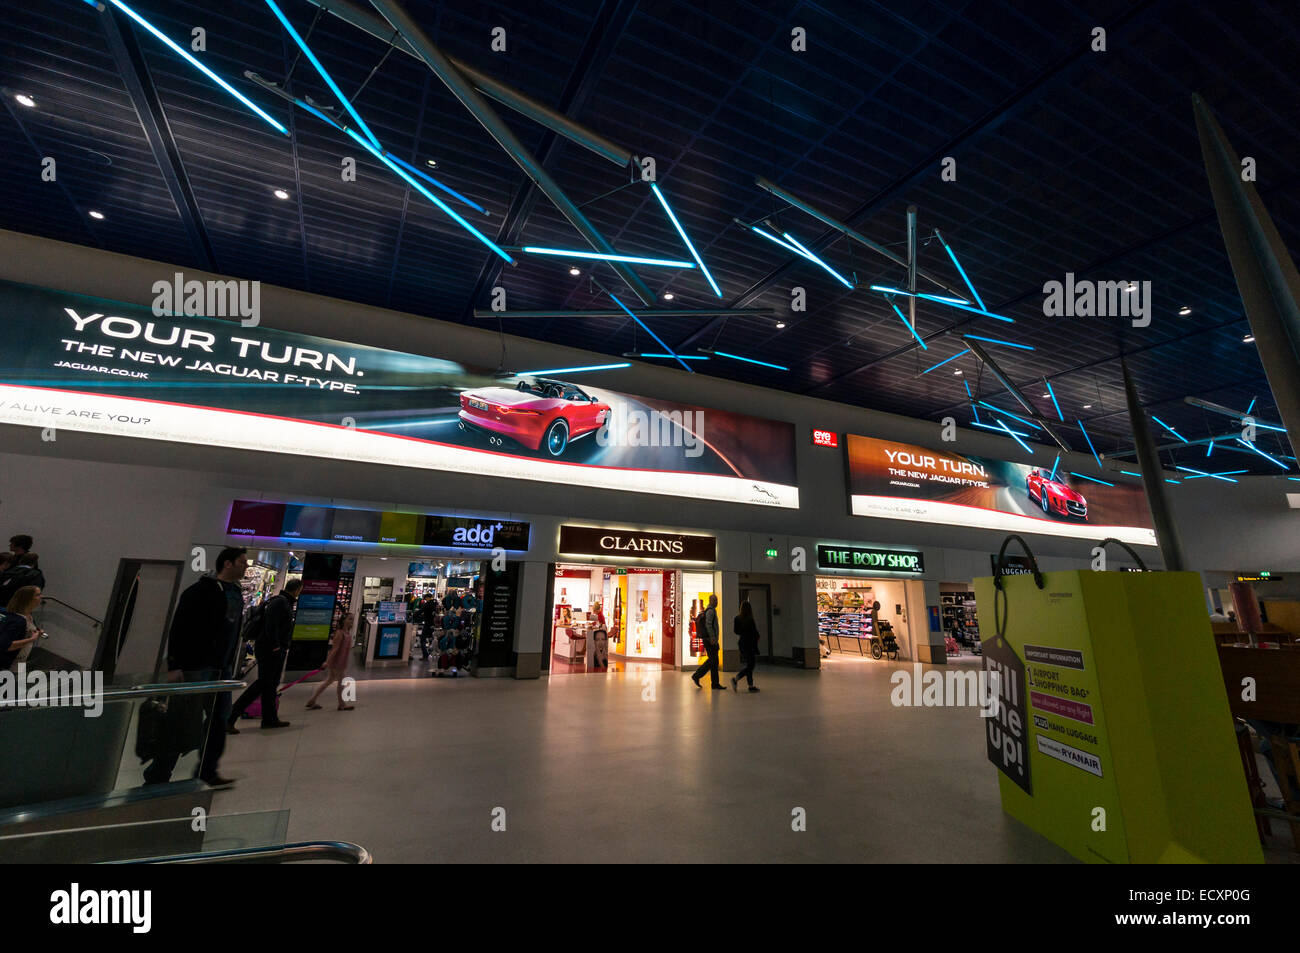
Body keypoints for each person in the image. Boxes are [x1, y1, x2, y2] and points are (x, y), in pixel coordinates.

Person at [144, 547, 248, 787]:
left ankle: (207, 771)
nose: (246, 566)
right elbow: (179, 629)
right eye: (242, 562)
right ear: (227, 564)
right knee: (181, 722)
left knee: (218, 721)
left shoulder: (235, 592)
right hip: (195, 668)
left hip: (221, 670)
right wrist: (174, 665)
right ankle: (157, 777)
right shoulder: (200, 592)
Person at [229, 578, 302, 730]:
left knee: (270, 685)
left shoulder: (283, 602)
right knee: (262, 684)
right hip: (270, 649)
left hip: (273, 648)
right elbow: (271, 626)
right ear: (297, 590)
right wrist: (276, 646)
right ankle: (230, 717)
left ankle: (270, 719)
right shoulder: (281, 602)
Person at [306, 611, 355, 711]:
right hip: (337, 662)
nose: (351, 621)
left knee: (329, 681)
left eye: (352, 619)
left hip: (341, 661)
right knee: (341, 682)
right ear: (343, 620)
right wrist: (327, 661)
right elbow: (335, 649)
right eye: (349, 619)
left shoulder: (346, 633)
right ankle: (341, 704)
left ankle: (312, 700)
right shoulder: (340, 633)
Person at [0, 586, 43, 672]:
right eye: (37, 595)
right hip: (5, 666)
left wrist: (37, 633)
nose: (41, 596)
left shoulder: (29, 617)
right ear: (28, 599)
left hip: (17, 665)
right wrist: (32, 639)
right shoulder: (18, 620)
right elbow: (5, 645)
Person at [691, 594, 724, 690]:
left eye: (717, 600)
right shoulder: (710, 611)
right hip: (710, 640)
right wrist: (713, 637)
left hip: (709, 639)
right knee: (713, 660)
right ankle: (697, 675)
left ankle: (715, 684)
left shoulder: (711, 611)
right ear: (710, 601)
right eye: (714, 600)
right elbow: (708, 625)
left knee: (714, 661)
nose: (716, 602)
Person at [731, 600, 761, 693]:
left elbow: (736, 631)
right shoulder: (750, 619)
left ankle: (751, 685)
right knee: (751, 665)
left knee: (749, 664)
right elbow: (754, 632)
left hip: (742, 642)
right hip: (750, 643)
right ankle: (736, 679)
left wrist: (743, 632)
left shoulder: (737, 618)